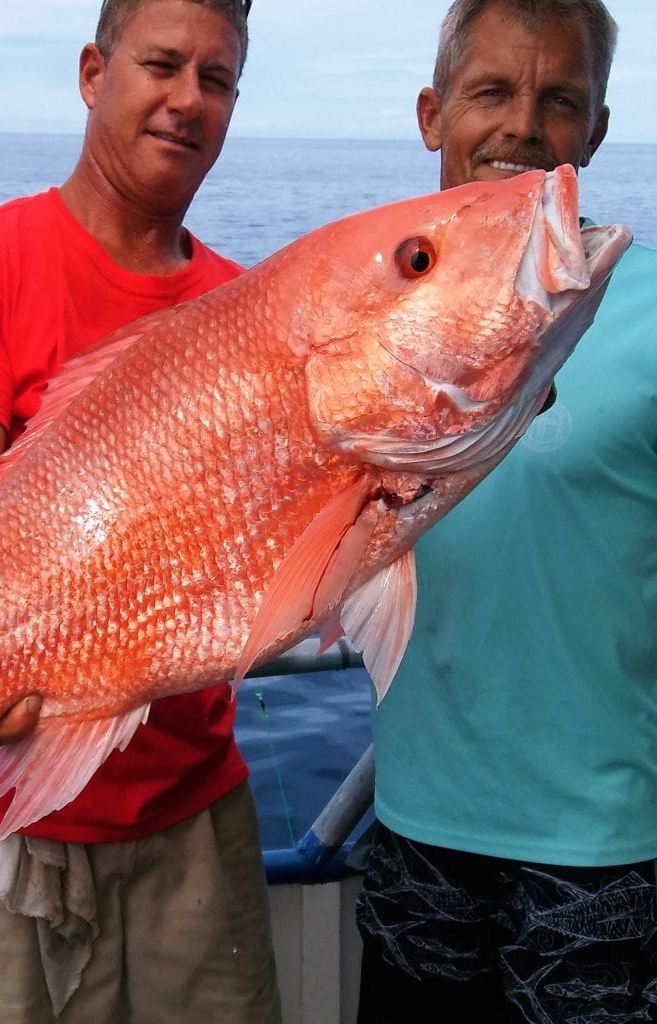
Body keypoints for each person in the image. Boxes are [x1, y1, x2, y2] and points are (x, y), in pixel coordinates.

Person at [0, 2, 282, 1022]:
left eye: (215, 80)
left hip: (193, 821)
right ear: (93, 71)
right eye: (162, 65)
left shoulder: (247, 311)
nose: (187, 100)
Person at [354, 1, 657, 1022]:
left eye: (559, 100)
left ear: (596, 131)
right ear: (432, 113)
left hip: (605, 856)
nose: (522, 124)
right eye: (490, 91)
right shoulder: (362, 315)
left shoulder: (651, 310)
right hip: (412, 831)